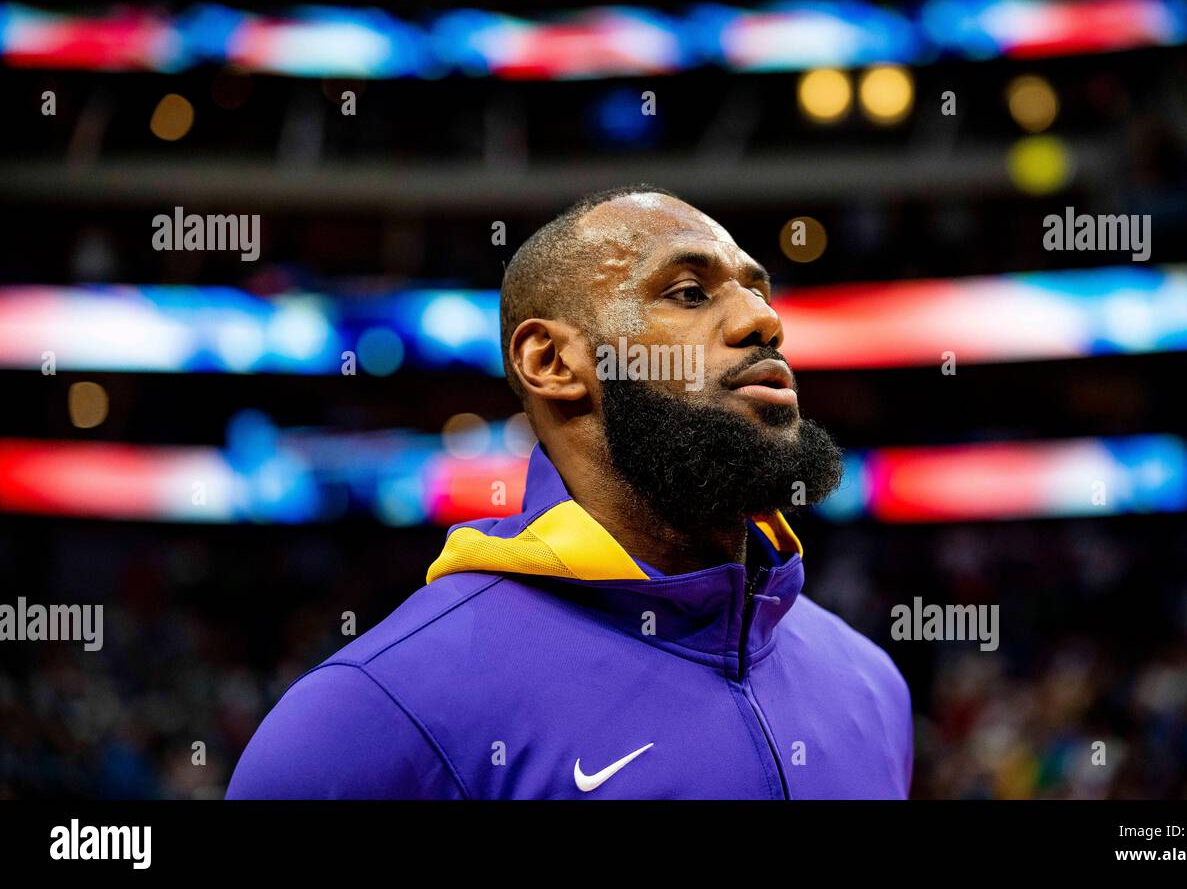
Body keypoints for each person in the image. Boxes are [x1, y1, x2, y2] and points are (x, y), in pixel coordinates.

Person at [227, 185, 912, 798]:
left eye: (757, 289)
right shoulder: (375, 713)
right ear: (552, 363)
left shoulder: (870, 682)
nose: (762, 321)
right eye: (689, 293)